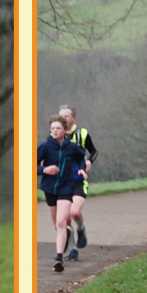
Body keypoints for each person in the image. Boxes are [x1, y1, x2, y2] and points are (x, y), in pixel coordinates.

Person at [38, 116, 88, 273]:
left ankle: (59, 259)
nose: (55, 131)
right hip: (50, 188)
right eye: (52, 128)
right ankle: (67, 232)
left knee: (61, 223)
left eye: (58, 128)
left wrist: (81, 169)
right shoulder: (45, 147)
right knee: (57, 225)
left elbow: (81, 158)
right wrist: (45, 170)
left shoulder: (72, 147)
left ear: (65, 130)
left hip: (66, 188)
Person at [58, 105, 98, 253]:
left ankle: (81, 228)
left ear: (74, 118)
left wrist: (89, 162)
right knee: (66, 218)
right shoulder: (55, 134)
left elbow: (93, 151)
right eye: (60, 116)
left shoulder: (82, 134)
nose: (63, 119)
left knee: (74, 212)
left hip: (78, 180)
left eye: (66, 116)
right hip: (62, 182)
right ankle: (73, 249)